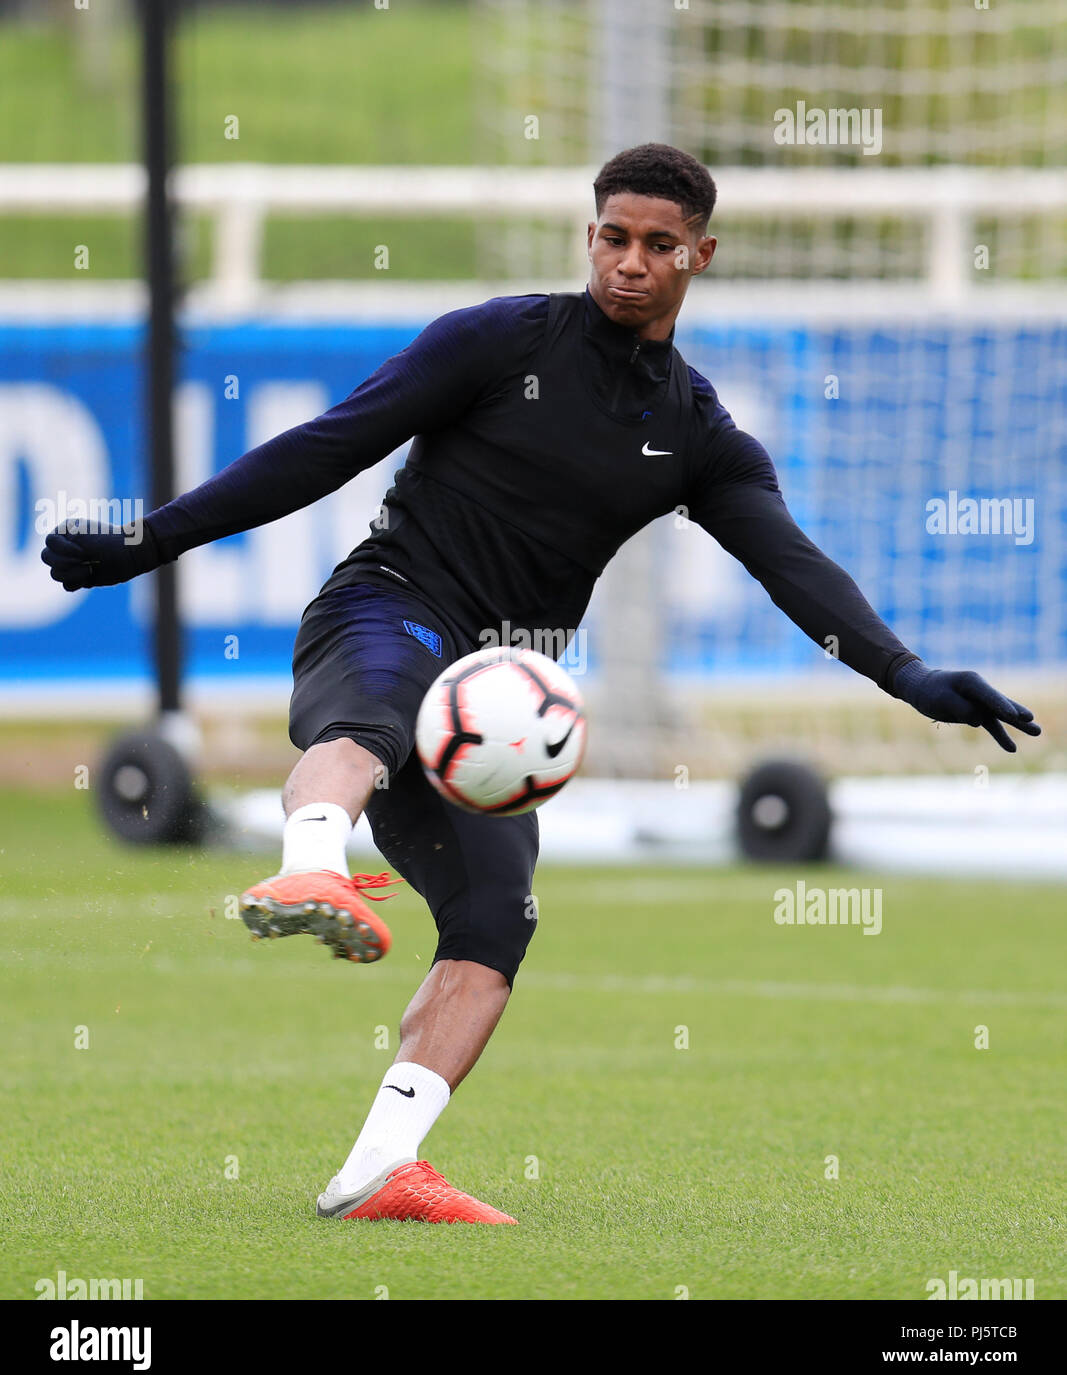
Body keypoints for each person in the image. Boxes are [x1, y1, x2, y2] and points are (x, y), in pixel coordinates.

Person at [41, 143, 1041, 1225]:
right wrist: (156, 538)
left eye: (657, 245)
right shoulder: (496, 340)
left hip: (496, 692)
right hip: (386, 602)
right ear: (589, 238)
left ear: (698, 256)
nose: (628, 262)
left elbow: (790, 567)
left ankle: (379, 1166)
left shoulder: (698, 434)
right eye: (612, 236)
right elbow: (325, 447)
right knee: (373, 716)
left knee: (495, 919)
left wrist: (906, 675)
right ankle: (309, 869)